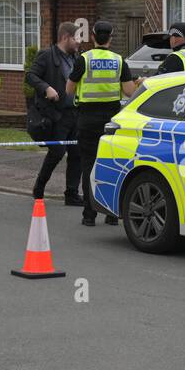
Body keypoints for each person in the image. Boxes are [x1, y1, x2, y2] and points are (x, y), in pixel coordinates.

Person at [66, 20, 139, 226]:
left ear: (93, 37)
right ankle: (111, 214)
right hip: (111, 121)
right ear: (111, 37)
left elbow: (69, 90)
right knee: (110, 165)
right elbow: (129, 92)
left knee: (89, 165)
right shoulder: (119, 61)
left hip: (87, 120)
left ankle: (89, 215)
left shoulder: (84, 60)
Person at [25, 21, 83, 206]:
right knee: (57, 152)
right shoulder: (47, 55)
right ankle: (39, 187)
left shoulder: (76, 58)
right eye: (76, 38)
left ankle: (71, 194)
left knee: (77, 154)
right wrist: (46, 87)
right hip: (57, 114)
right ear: (65, 37)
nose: (78, 42)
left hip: (74, 113)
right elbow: (31, 75)